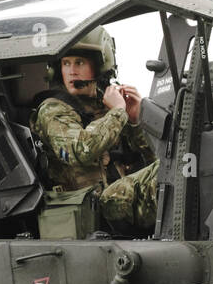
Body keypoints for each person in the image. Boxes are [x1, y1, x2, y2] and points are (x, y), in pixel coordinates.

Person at [30, 26, 158, 232]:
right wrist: (117, 112)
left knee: (175, 173)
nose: (72, 71)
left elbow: (151, 161)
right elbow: (79, 151)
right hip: (92, 210)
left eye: (79, 62)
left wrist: (135, 121)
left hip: (117, 203)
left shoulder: (106, 104)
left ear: (98, 68)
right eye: (66, 63)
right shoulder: (53, 110)